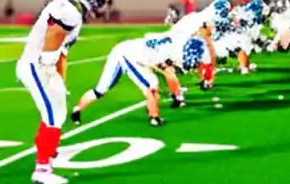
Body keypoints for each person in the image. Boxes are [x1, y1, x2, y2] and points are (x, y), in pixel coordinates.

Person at [17, 0, 111, 184]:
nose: (100, 4)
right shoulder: (70, 13)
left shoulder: (69, 9)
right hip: (35, 65)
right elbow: (54, 35)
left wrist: (59, 80)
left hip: (44, 66)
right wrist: (48, 66)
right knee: (51, 114)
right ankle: (42, 169)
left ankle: (48, 151)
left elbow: (63, 52)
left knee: (58, 110)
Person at [71, 35, 205, 127]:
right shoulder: (166, 53)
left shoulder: (175, 47)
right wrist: (175, 92)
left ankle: (153, 114)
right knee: (149, 86)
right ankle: (154, 117)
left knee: (152, 84)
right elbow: (163, 69)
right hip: (126, 56)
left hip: (136, 54)